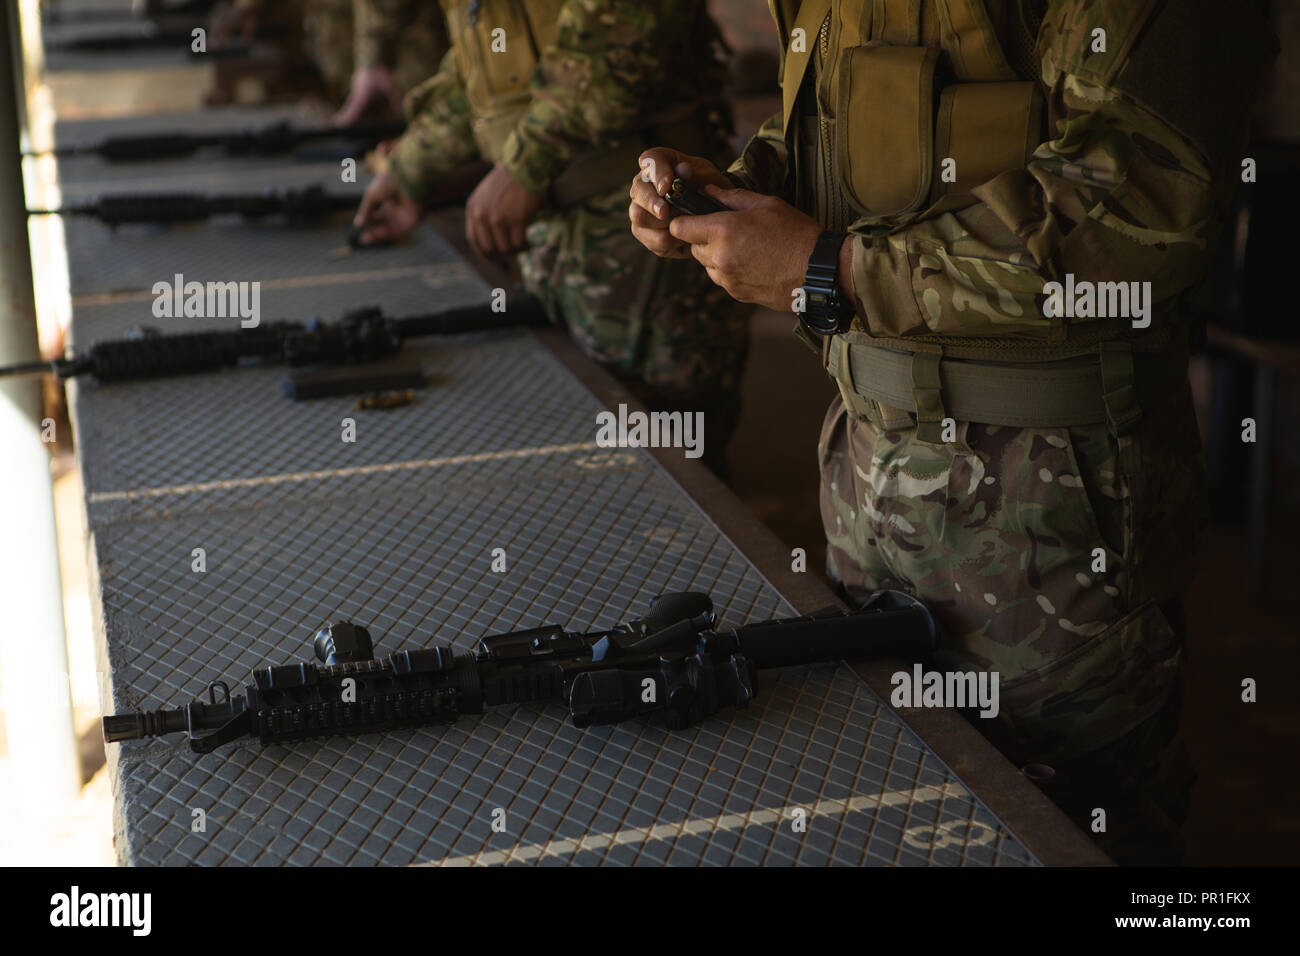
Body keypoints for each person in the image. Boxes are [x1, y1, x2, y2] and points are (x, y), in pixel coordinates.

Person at [628, 0, 1275, 863]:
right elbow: (846, 150)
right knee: (900, 810)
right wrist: (729, 198)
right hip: (864, 472)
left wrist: (830, 266)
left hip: (1047, 501)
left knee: (1077, 828)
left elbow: (1140, 209)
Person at [351, 0, 752, 475]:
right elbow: (482, 73)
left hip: (646, 222)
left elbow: (622, 36)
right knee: (578, 446)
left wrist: (523, 166)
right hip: (553, 228)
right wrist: (411, 168)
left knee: (672, 458)